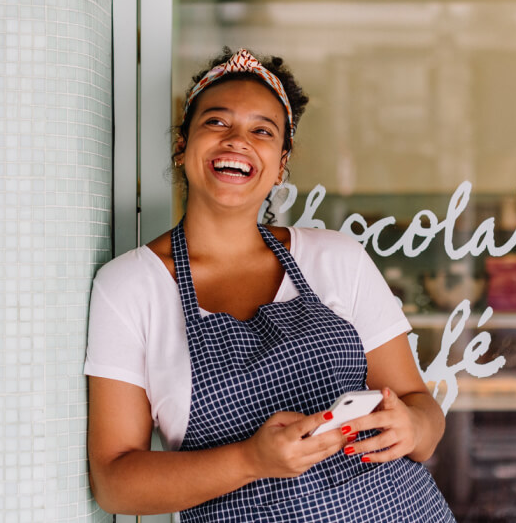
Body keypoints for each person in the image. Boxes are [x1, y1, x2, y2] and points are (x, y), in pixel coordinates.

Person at [84, 48, 455, 522]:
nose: (237, 140)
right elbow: (115, 484)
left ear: (280, 165)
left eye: (262, 130)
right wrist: (250, 460)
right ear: (182, 145)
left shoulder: (337, 258)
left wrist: (412, 427)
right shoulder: (129, 287)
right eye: (217, 122)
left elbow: (423, 410)